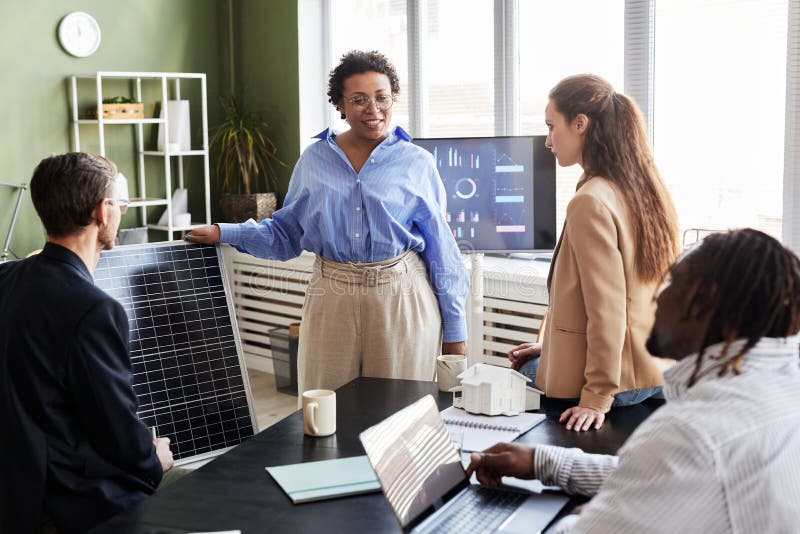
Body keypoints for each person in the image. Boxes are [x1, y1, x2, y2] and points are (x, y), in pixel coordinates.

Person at [469, 228, 800, 533]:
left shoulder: (695, 430)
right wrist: (544, 462)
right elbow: (662, 478)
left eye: (672, 281)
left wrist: (577, 518)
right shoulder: (780, 388)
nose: (658, 296)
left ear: (704, 302)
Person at [187, 50, 468, 394]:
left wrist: (455, 333)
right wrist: (223, 232)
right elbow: (285, 234)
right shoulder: (314, 160)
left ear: (393, 98)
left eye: (382, 97)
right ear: (340, 105)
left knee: (399, 415)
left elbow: (443, 251)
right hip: (331, 297)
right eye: (359, 99)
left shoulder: (417, 162)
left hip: (402, 297)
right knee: (324, 409)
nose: (373, 109)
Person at [0, 153, 174, 534]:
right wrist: (154, 459)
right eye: (117, 203)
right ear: (102, 211)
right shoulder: (95, 310)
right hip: (69, 501)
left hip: (14, 490)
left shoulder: (7, 277)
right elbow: (116, 430)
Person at [508, 74, 680, 431]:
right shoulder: (646, 188)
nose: (547, 140)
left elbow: (608, 310)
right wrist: (550, 347)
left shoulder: (590, 201)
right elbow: (636, 300)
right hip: (656, 371)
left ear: (580, 124)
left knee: (514, 373)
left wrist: (597, 397)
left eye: (552, 126)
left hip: (618, 384)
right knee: (534, 359)